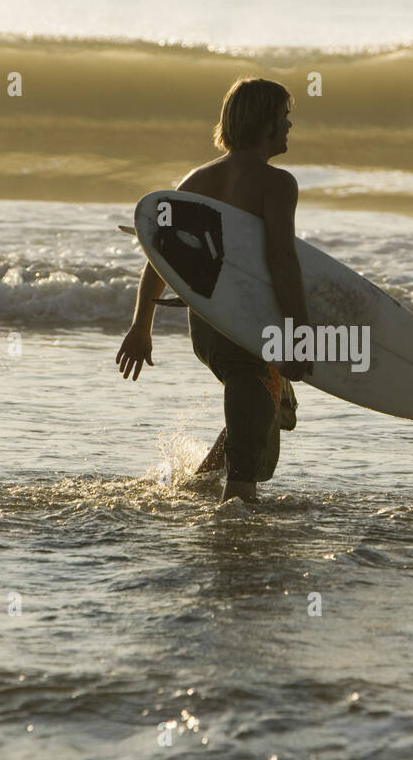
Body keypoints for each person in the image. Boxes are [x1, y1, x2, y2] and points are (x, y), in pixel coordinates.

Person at [116, 77, 310, 503]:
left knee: (269, 405)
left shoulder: (196, 179)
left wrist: (141, 326)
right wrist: (298, 333)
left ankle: (198, 483)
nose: (290, 125)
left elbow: (160, 256)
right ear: (265, 124)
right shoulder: (277, 185)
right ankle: (235, 517)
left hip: (207, 327)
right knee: (251, 429)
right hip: (247, 327)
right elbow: (282, 262)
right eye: (284, 117)